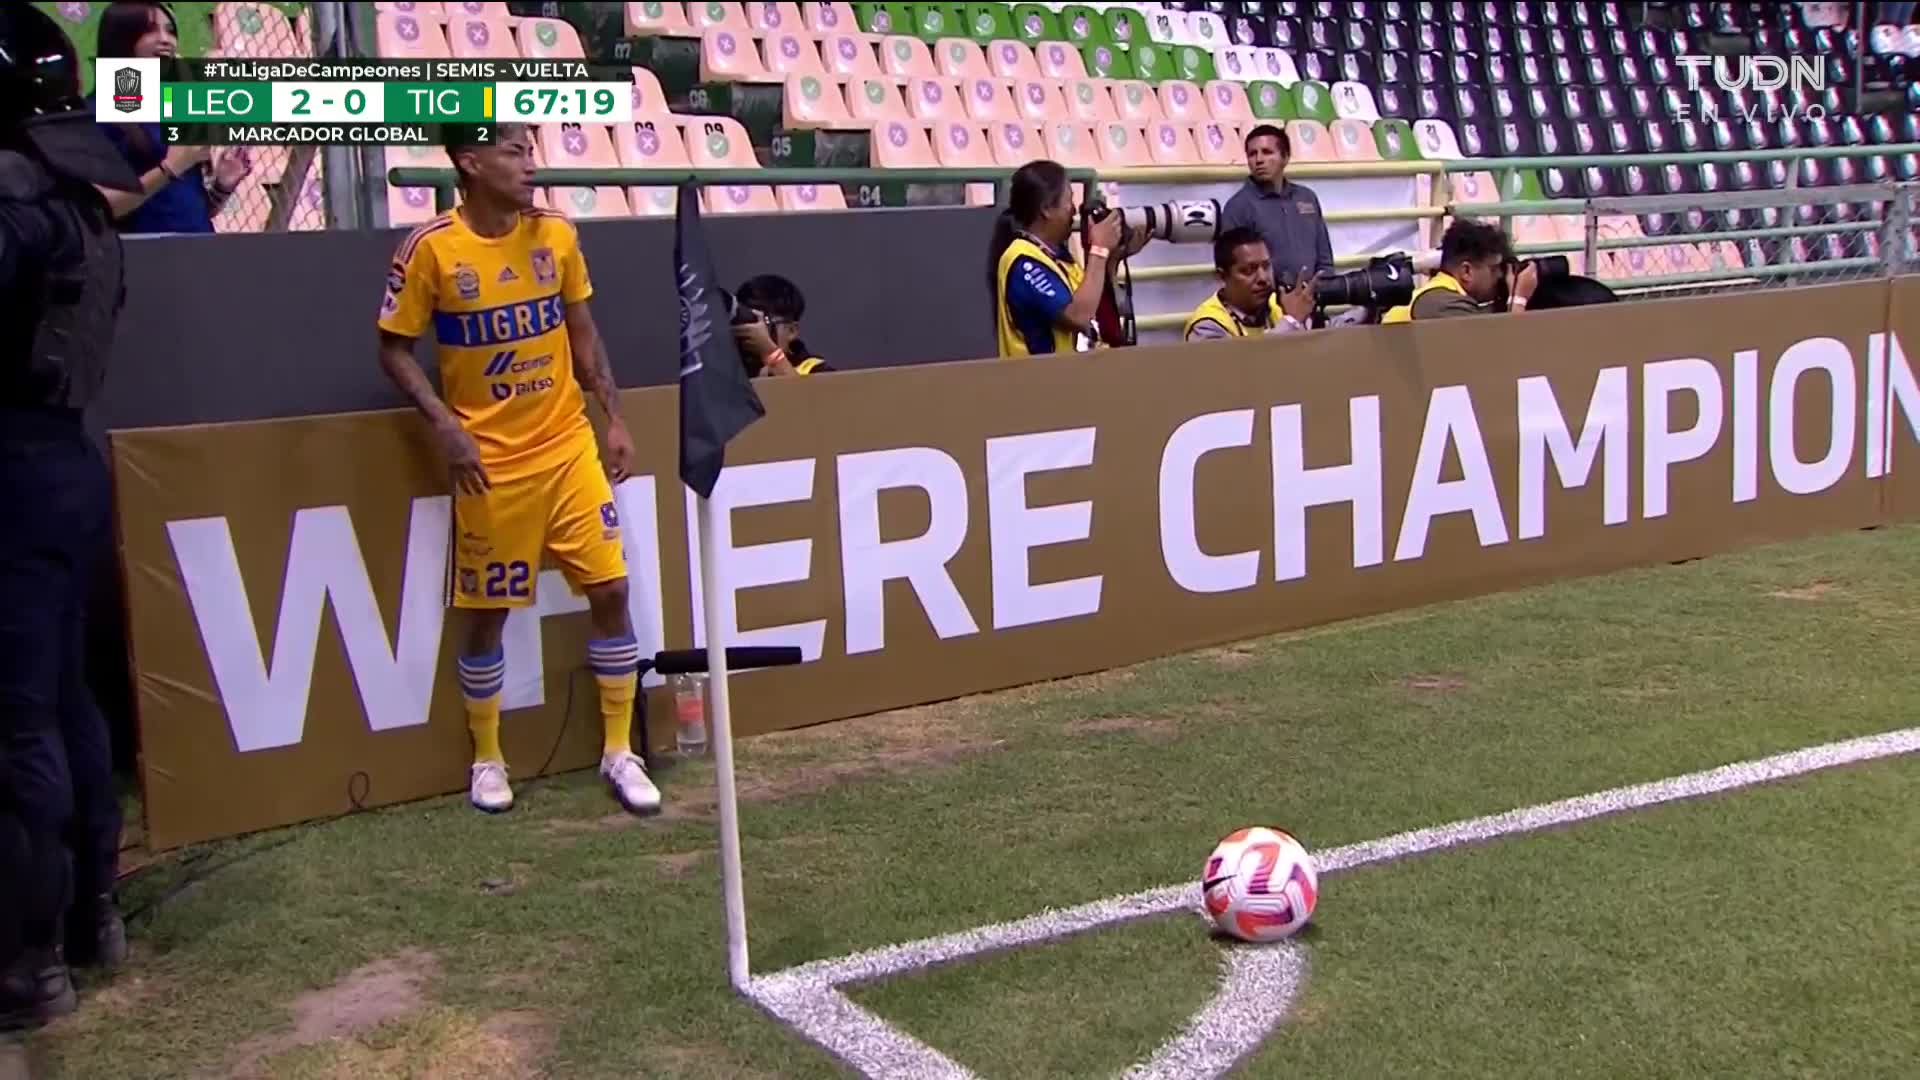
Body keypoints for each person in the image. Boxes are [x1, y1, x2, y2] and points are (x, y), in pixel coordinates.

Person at [375, 123, 659, 817]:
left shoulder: (556, 235)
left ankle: (621, 752)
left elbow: (582, 332)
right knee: (488, 613)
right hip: (492, 465)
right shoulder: (430, 250)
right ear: (469, 162)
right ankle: (488, 758)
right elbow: (393, 350)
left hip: (566, 446)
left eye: (530, 151)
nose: (531, 165)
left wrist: (612, 417)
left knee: (612, 590)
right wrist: (445, 425)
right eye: (514, 152)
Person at [0, 3, 141, 1036]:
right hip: (66, 458)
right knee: (64, 700)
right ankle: (92, 910)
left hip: (11, 464)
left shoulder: (11, 201)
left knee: (16, 724)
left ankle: (25, 957)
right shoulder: (80, 204)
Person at [93, 1, 253, 233]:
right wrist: (170, 168)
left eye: (170, 31)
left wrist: (221, 187)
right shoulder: (97, 112)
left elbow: (182, 212)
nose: (165, 40)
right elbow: (101, 209)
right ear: (120, 40)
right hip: (144, 259)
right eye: (150, 30)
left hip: (197, 253)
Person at [987, 158, 1149, 357]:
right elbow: (1077, 316)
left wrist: (1111, 259)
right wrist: (1099, 249)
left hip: (1070, 378)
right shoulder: (1022, 261)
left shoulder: (1058, 257)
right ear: (1046, 209)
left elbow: (1095, 313)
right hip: (1037, 383)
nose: (1074, 210)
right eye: (1069, 201)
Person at [1219, 125, 1334, 282]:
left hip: (1312, 300)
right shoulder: (1237, 207)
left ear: (1285, 157)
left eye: (1267, 152)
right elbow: (1232, 269)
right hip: (1266, 303)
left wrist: (1324, 289)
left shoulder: (1307, 197)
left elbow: (1324, 258)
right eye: (1252, 154)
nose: (1259, 160)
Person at [1381, 220, 1538, 322]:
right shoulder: (1442, 303)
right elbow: (1497, 355)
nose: (1500, 276)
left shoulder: (1443, 294)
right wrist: (1518, 300)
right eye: (1494, 269)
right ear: (1466, 271)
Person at [1183, 226, 1317, 342]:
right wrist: (1291, 322)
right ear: (1222, 276)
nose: (1263, 278)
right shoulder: (1207, 325)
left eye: (1266, 266)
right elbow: (1240, 368)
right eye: (1248, 270)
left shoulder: (1281, 305)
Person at [731, 273, 833, 376]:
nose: (754, 330)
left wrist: (770, 353)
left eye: (765, 323)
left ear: (791, 331)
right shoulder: (733, 367)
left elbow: (803, 392)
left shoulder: (816, 370)